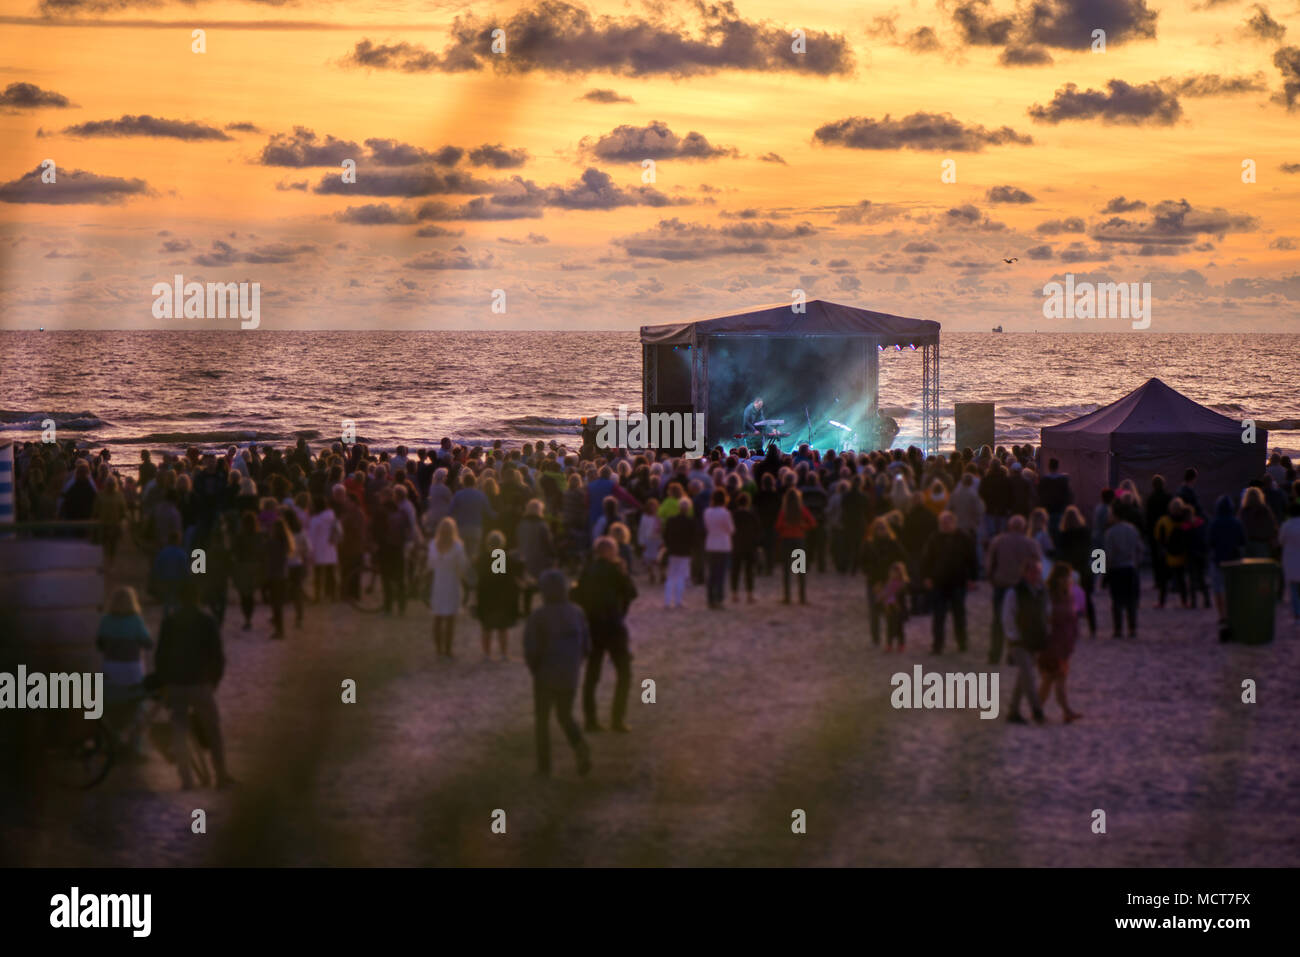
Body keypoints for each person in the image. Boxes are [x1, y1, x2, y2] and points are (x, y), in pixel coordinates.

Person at [154, 582, 235, 790]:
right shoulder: (207, 621)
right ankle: (221, 775)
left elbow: (160, 655)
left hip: (176, 683)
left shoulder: (169, 622)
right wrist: (214, 681)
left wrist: (165, 681)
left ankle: (186, 780)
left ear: (179, 599)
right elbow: (217, 656)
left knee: (179, 732)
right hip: (201, 683)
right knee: (213, 730)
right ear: (198, 598)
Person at [523, 568, 592, 778]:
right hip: (569, 673)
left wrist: (536, 669)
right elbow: (586, 647)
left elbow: (531, 650)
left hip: (546, 674)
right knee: (565, 715)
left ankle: (544, 768)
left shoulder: (539, 617)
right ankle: (580, 745)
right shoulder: (577, 612)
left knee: (542, 720)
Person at [575, 536, 638, 733]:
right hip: (613, 626)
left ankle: (590, 720)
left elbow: (575, 595)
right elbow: (632, 592)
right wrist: (624, 573)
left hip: (592, 626)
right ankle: (617, 720)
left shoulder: (587, 571)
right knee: (624, 673)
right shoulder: (614, 571)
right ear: (609, 552)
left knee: (592, 675)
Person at [96, 586, 153, 757]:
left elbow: (99, 644)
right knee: (138, 706)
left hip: (111, 670)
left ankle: (112, 740)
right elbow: (148, 643)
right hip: (132, 672)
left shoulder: (106, 620)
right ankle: (135, 746)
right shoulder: (136, 620)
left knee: (108, 705)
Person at [985, 514, 1043, 664]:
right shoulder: (1030, 544)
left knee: (998, 621)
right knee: (1019, 622)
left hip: (1002, 584)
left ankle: (995, 655)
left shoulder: (998, 541)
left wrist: (992, 579)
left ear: (1010, 526)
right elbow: (1038, 564)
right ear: (1024, 527)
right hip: (1022, 587)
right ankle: (1014, 656)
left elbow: (990, 564)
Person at [921, 511, 977, 653]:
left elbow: (972, 559)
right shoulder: (934, 538)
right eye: (942, 523)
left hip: (958, 582)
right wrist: (926, 577)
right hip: (939, 582)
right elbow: (927, 559)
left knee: (959, 615)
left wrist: (972, 578)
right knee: (939, 616)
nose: (945, 526)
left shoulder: (964, 538)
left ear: (954, 523)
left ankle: (962, 643)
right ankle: (937, 645)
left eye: (947, 523)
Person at [1001, 558, 1047, 725]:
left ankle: (1013, 712)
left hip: (1035, 639)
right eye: (1033, 571)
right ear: (1025, 573)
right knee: (1028, 676)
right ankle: (1037, 711)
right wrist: (1013, 636)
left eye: (1038, 572)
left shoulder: (1041, 591)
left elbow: (1045, 614)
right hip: (1019, 641)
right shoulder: (1015, 592)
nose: (1036, 575)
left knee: (1024, 677)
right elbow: (1008, 616)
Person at [1037, 562, 1083, 723]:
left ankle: (1038, 710)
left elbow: (1074, 618)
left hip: (1064, 643)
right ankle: (1066, 711)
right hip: (1052, 643)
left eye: (1068, 578)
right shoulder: (1049, 596)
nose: (1066, 581)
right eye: (1063, 577)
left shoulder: (1069, 595)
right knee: (1056, 677)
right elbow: (1045, 619)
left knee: (1050, 680)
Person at [474, 529, 521, 660]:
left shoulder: (482, 558)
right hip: (501, 597)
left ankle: (486, 654)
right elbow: (503, 576)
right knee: (502, 628)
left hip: (486, 597)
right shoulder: (502, 557)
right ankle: (503, 653)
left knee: (487, 628)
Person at [861, 517, 907, 647]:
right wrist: (872, 576)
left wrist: (896, 575)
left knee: (891, 612)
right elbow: (863, 563)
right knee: (874, 611)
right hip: (874, 582)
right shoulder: (868, 545)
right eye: (878, 528)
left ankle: (890, 639)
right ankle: (875, 638)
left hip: (890, 583)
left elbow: (903, 560)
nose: (881, 530)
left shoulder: (894, 544)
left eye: (883, 528)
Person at [428, 517, 470, 658]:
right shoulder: (458, 546)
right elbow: (463, 566)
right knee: (450, 619)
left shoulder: (433, 545)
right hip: (452, 583)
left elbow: (431, 564)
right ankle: (447, 649)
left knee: (438, 618)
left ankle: (438, 649)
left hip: (439, 584)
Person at [1103, 506, 1143, 639]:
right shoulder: (1132, 529)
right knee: (1131, 601)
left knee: (1117, 601)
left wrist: (1104, 572)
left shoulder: (1110, 532)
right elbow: (1139, 548)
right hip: (1130, 568)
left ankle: (1118, 629)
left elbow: (1107, 555)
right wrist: (1136, 563)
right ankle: (1132, 628)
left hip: (1116, 569)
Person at [775, 487, 816, 605]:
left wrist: (786, 526)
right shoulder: (802, 510)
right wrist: (803, 527)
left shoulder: (784, 511)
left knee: (787, 570)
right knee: (800, 571)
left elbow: (778, 526)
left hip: (786, 540)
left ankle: (787, 597)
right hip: (799, 539)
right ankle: (802, 597)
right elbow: (813, 523)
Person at [702, 488, 735, 609]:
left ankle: (710, 598)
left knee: (712, 573)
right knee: (721, 573)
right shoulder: (725, 513)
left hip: (711, 544)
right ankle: (719, 598)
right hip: (723, 545)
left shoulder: (707, 512)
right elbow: (731, 529)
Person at [729, 491, 762, 603]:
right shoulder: (752, 515)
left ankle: (734, 594)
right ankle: (749, 595)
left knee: (735, 570)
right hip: (749, 545)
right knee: (749, 571)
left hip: (736, 544)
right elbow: (758, 530)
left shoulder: (733, 514)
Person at [662, 498, 695, 608]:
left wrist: (668, 546)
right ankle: (678, 601)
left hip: (672, 550)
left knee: (671, 576)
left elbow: (665, 535)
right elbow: (693, 539)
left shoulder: (671, 520)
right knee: (681, 577)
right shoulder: (690, 522)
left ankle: (667, 601)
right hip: (685, 552)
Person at [879, 561, 909, 653]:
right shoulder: (889, 583)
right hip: (890, 609)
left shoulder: (902, 585)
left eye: (895, 572)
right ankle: (889, 644)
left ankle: (901, 644)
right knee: (889, 627)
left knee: (899, 628)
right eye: (892, 572)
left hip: (899, 609)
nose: (893, 574)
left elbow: (900, 597)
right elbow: (885, 594)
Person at [1280, 504, 1300, 625]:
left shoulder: (1286, 526)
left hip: (1290, 559)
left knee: (1293, 590)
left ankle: (1297, 614)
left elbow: (1281, 541)